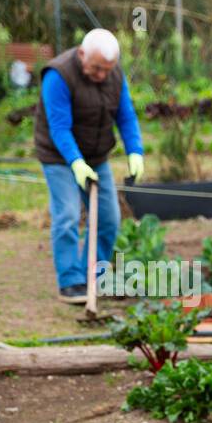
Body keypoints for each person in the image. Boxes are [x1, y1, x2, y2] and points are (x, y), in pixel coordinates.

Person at [32, 28, 143, 303]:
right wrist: (76, 163)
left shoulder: (114, 74)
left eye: (107, 69)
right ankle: (70, 281)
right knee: (68, 214)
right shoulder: (58, 75)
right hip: (59, 156)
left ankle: (93, 276)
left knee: (109, 218)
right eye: (96, 69)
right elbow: (59, 127)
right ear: (82, 54)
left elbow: (126, 117)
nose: (102, 75)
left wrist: (135, 152)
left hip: (96, 156)